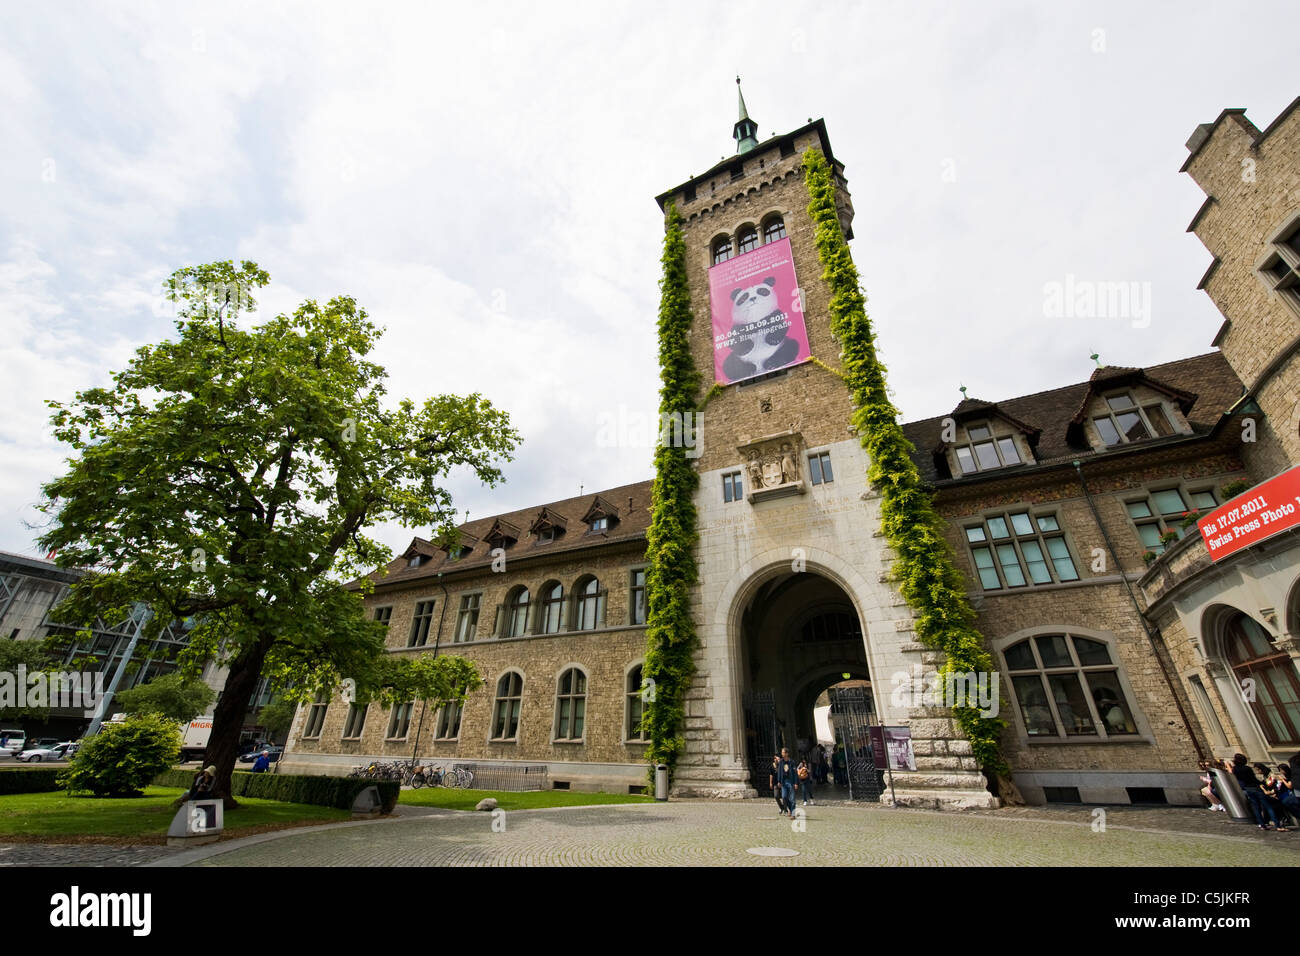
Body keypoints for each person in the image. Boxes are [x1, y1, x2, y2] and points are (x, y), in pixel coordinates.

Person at [1231, 753, 1286, 831]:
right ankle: (1278, 825)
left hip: (1247, 788)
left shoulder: (1235, 769)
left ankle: (1262, 824)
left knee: (1256, 807)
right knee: (1267, 806)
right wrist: (1261, 783)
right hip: (1255, 787)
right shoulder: (1247, 768)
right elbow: (1253, 779)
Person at [774, 748, 799, 818]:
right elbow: (779, 772)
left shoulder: (792, 762)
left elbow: (795, 773)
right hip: (783, 782)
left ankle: (793, 813)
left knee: (792, 798)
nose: (782, 754)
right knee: (784, 797)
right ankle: (790, 810)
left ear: (787, 753)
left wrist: (796, 783)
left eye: (783, 752)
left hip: (790, 781)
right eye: (782, 752)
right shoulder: (781, 762)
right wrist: (779, 781)